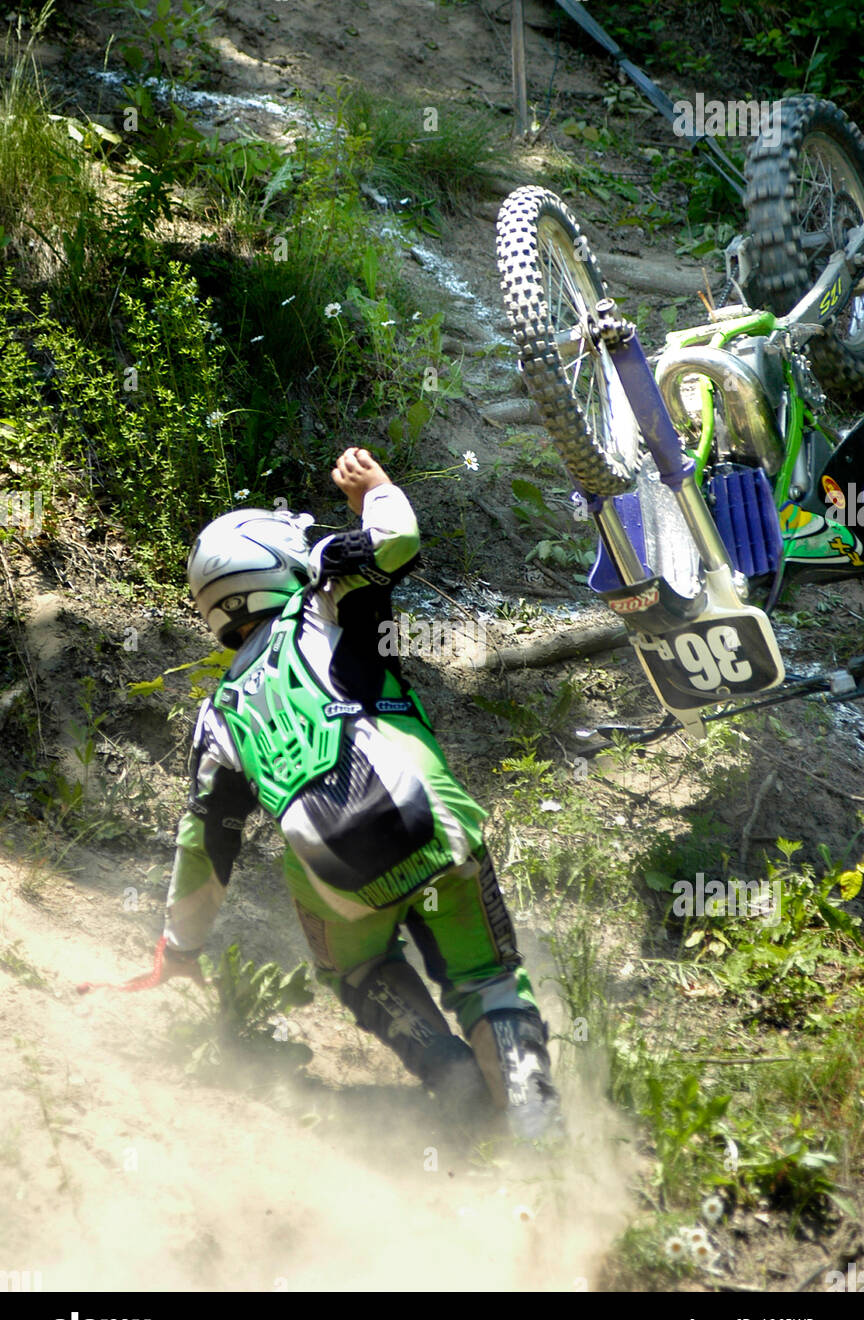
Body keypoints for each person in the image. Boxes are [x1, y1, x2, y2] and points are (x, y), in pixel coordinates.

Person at [151, 447, 564, 1142]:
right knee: (487, 978)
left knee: (362, 969)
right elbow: (395, 542)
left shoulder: (217, 714)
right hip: (428, 817)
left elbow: (206, 840)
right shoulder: (323, 598)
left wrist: (178, 945)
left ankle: (455, 1085)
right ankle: (535, 1132)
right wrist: (376, 490)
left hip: (330, 875)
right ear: (272, 559)